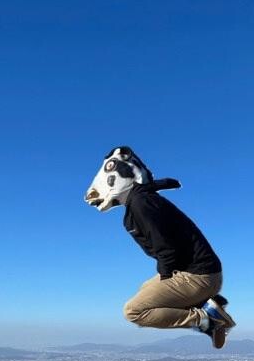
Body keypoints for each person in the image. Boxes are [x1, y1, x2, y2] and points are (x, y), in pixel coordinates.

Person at [84, 146, 237, 348]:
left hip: (198, 276)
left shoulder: (140, 204)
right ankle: (204, 303)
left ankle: (207, 319)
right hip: (204, 273)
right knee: (146, 288)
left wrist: (165, 273)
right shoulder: (142, 200)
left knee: (133, 311)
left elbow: (165, 246)